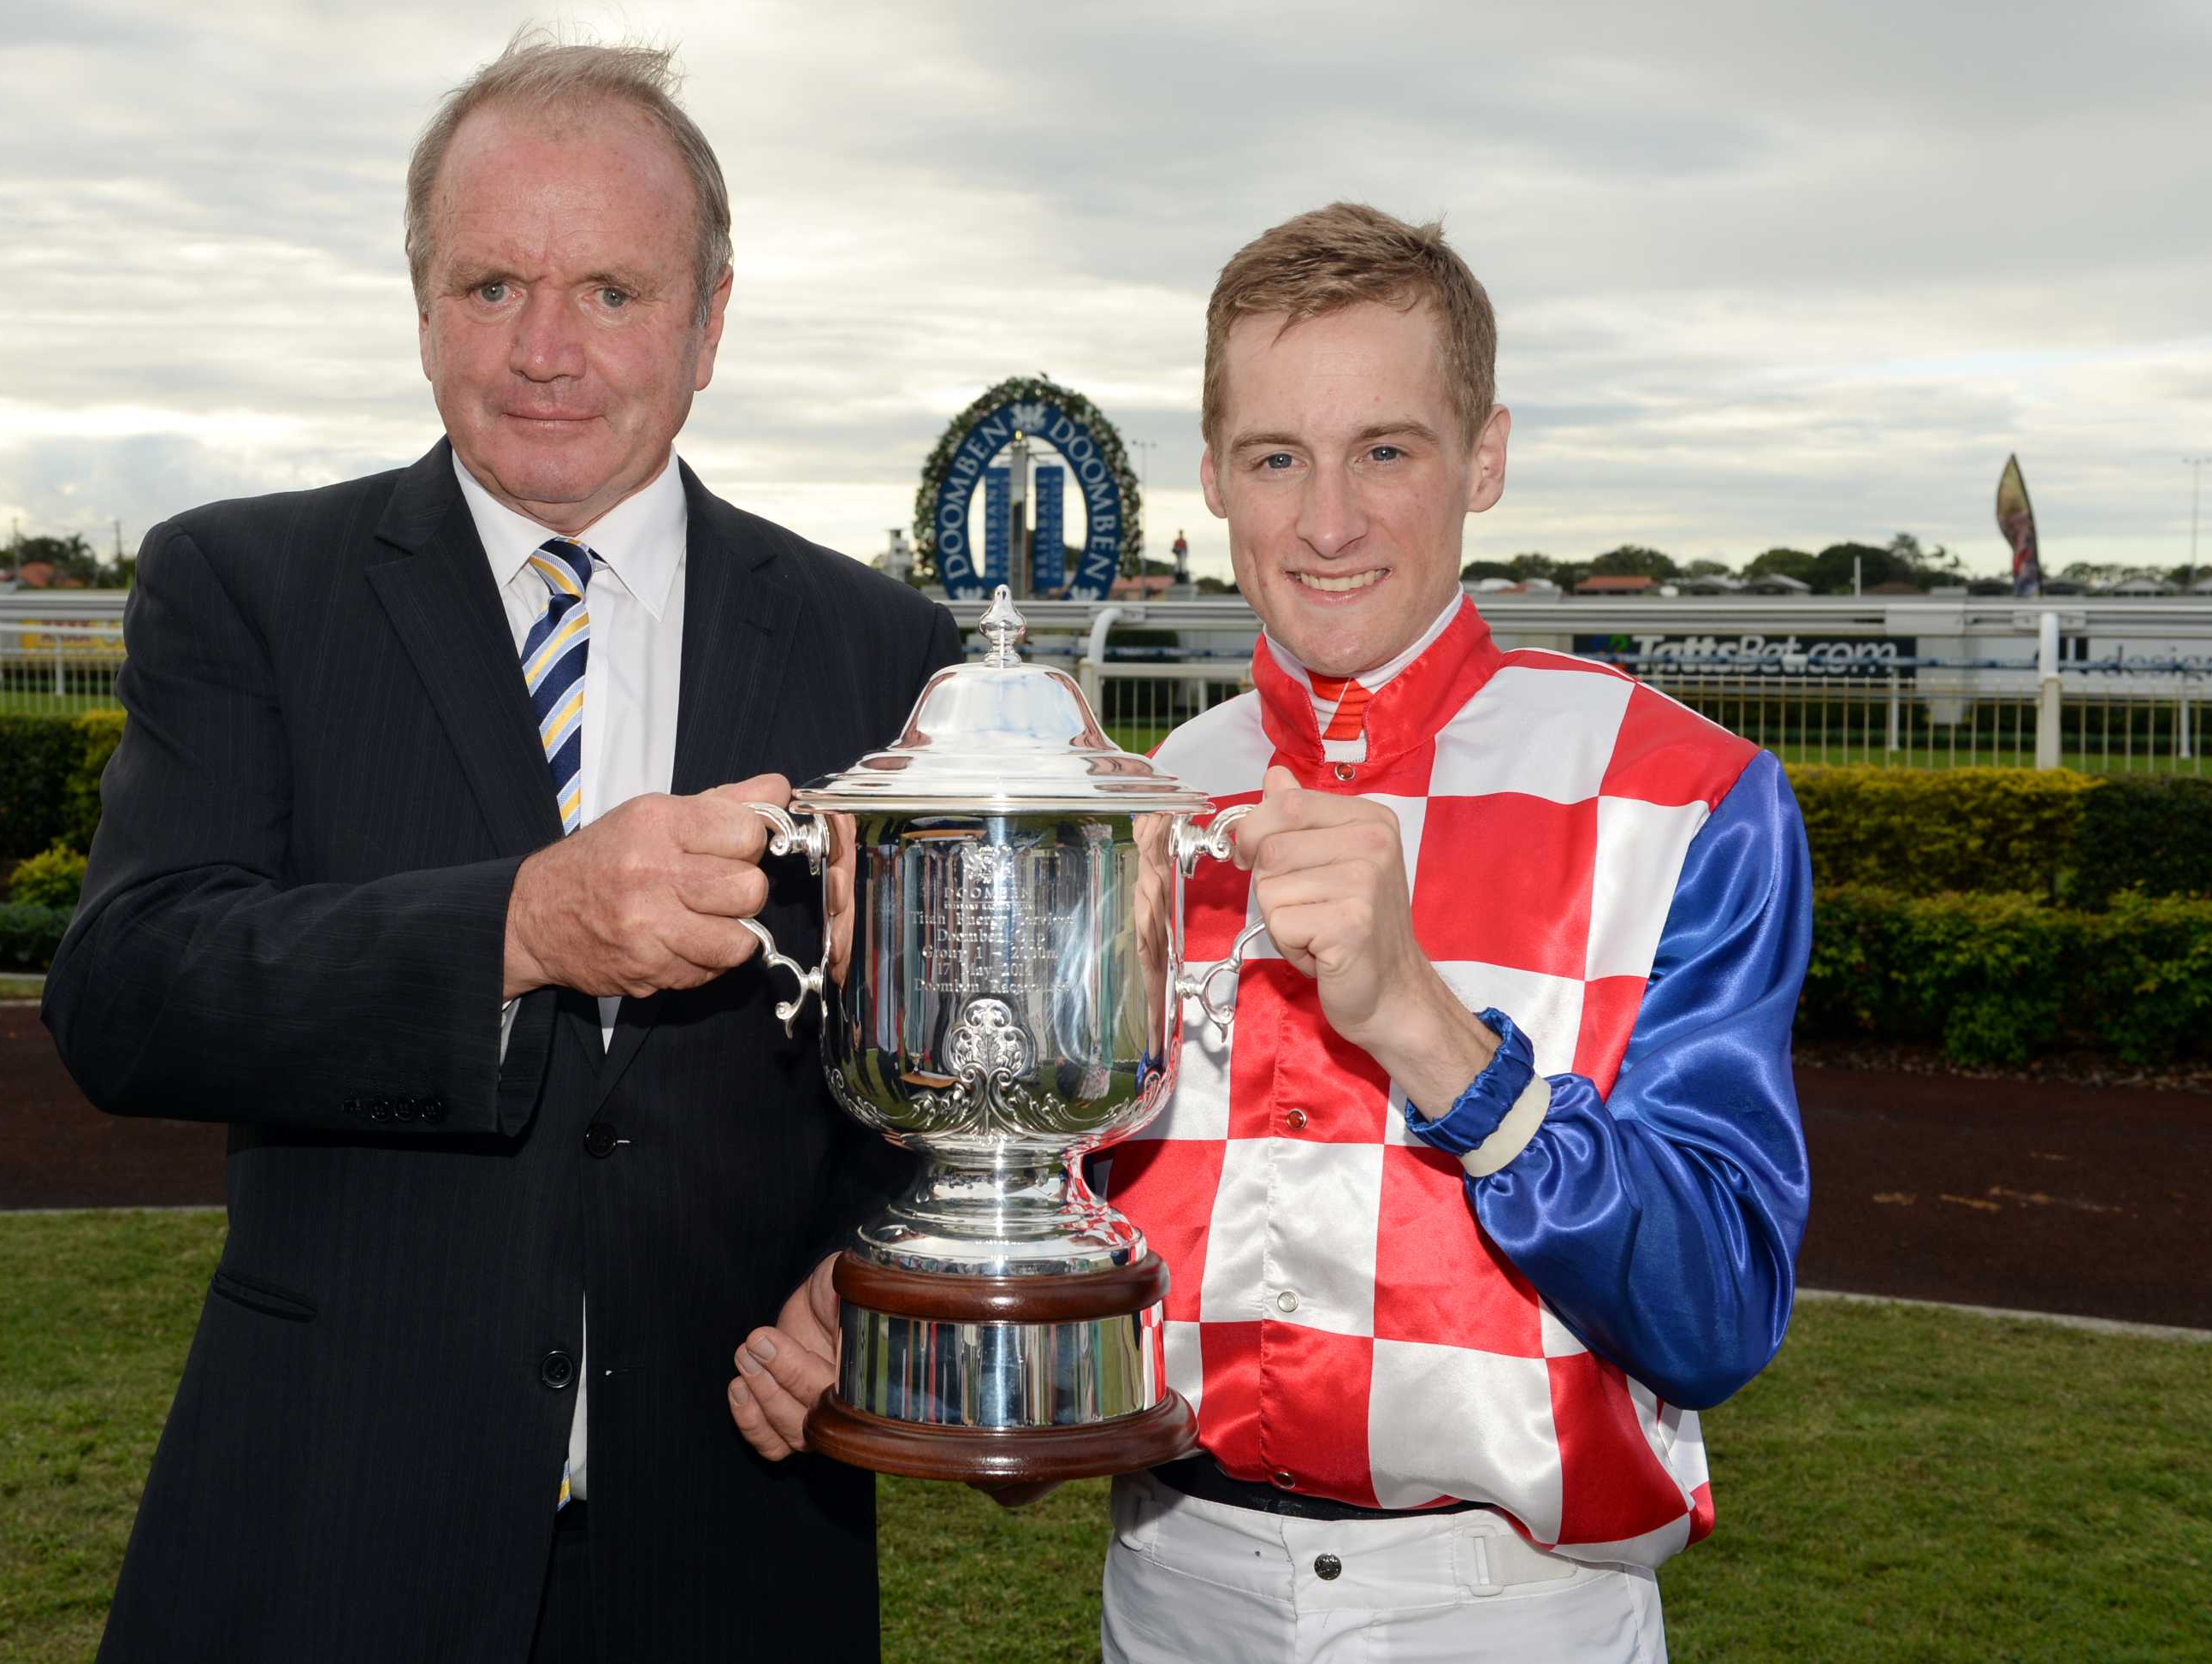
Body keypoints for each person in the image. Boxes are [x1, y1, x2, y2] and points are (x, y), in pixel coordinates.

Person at [726, 203, 1811, 1662]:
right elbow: (1063, 1201)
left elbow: (1719, 1313)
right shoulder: (1148, 802)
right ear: (1215, 479)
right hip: (1173, 1587)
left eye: (1387, 449)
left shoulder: (1682, 794)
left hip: (1503, 1613)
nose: (1329, 520)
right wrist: (868, 1306)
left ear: (1484, 456)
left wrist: (1430, 1032)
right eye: (1277, 458)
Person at [43, 32, 961, 1664]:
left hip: (737, 1549)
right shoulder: (247, 587)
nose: (546, 348)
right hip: (328, 1533)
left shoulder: (880, 648)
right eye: (490, 288)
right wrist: (523, 926)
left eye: (611, 289)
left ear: (710, 319)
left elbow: (936, 1081)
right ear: (418, 304)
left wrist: (866, 1279)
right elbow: (127, 990)